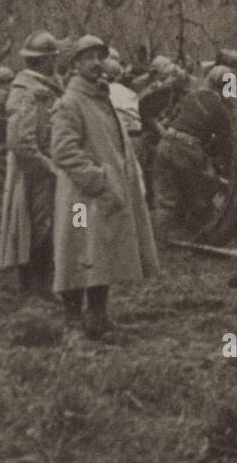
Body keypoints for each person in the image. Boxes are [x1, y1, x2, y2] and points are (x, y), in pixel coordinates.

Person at [51, 35, 159, 337]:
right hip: (81, 195)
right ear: (74, 65)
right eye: (88, 58)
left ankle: (98, 318)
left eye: (100, 56)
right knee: (77, 253)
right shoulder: (70, 101)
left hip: (102, 193)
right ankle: (72, 324)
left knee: (102, 254)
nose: (96, 63)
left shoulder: (101, 96)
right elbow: (63, 151)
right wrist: (98, 179)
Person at [0, 31, 65, 300]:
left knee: (48, 224)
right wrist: (50, 168)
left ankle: (40, 281)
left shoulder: (44, 85)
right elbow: (21, 143)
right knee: (42, 226)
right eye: (53, 59)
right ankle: (39, 285)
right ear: (46, 61)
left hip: (47, 165)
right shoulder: (26, 92)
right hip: (37, 171)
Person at [152, 64, 235, 244]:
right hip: (188, 147)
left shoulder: (190, 96)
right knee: (208, 187)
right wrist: (225, 164)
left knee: (165, 198)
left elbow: (172, 118)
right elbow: (225, 142)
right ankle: (203, 234)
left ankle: (159, 243)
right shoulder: (219, 107)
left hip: (165, 142)